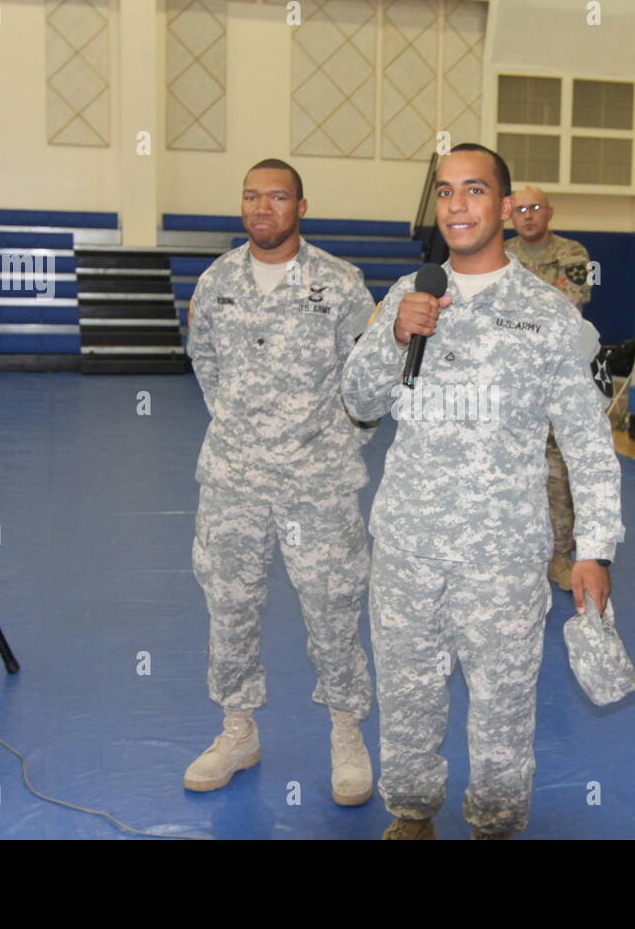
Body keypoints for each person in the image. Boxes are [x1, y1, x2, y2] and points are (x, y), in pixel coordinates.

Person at [342, 144, 624, 840]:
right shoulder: (409, 292)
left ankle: (495, 824)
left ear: (502, 206)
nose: (458, 206)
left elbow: (589, 442)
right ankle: (411, 813)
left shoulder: (550, 316)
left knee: (502, 703)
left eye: (474, 191)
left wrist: (595, 548)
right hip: (408, 544)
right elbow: (357, 402)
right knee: (407, 695)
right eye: (444, 192)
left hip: (502, 554)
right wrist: (393, 334)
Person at [184, 159, 375, 806]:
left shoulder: (340, 284)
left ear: (301, 205)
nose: (262, 207)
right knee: (229, 608)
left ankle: (347, 732)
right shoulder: (217, 281)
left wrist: (331, 443)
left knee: (332, 610)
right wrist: (243, 430)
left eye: (277, 197)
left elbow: (367, 378)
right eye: (251, 196)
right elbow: (203, 359)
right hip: (233, 480)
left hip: (317, 485)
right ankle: (238, 730)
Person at [505, 186, 593, 591]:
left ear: (549, 213)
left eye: (535, 208)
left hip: (557, 377)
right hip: (508, 381)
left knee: (557, 471)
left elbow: (567, 305)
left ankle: (559, 554)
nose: (527, 216)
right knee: (506, 466)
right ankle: (513, 554)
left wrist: (515, 316)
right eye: (520, 209)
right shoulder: (501, 254)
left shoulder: (572, 254)